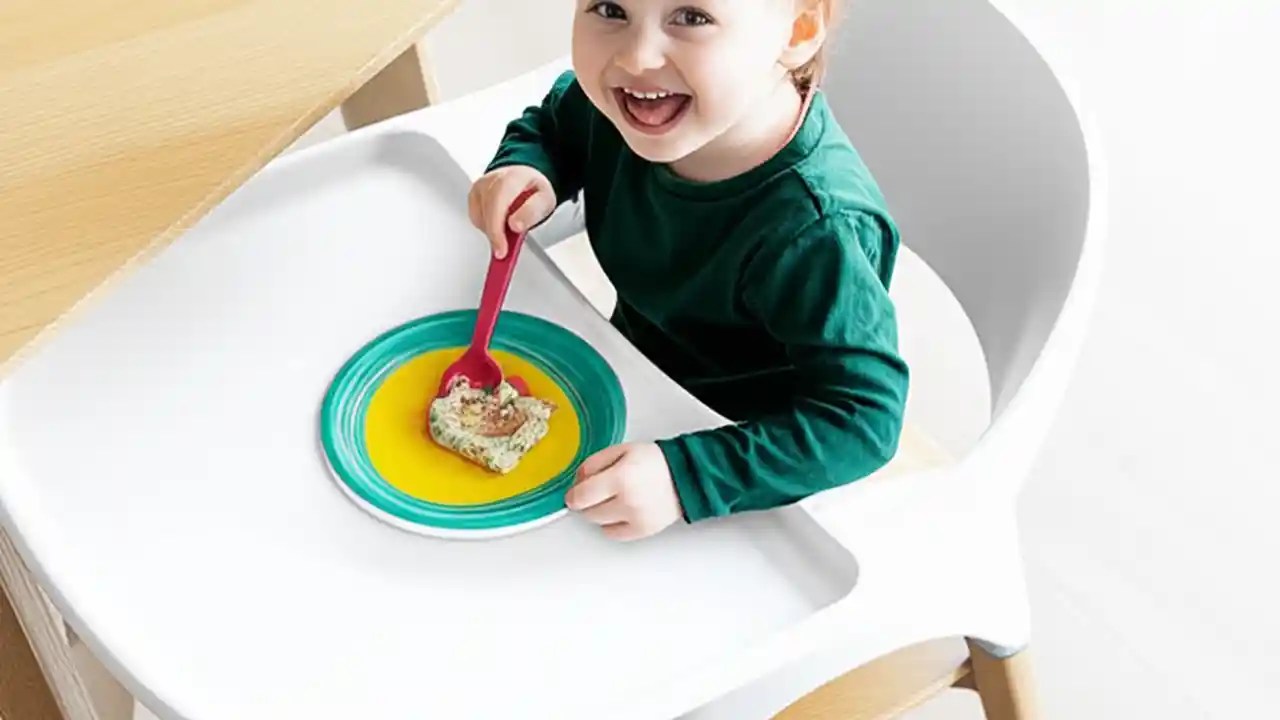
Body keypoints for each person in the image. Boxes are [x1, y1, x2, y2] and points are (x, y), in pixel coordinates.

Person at [467, 0, 908, 541]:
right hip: (629, 381)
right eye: (609, 8)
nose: (636, 57)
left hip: (748, 463)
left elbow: (863, 421)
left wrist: (684, 477)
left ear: (797, 29)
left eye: (692, 17)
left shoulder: (817, 231)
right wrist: (527, 166)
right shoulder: (620, 107)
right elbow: (555, 126)